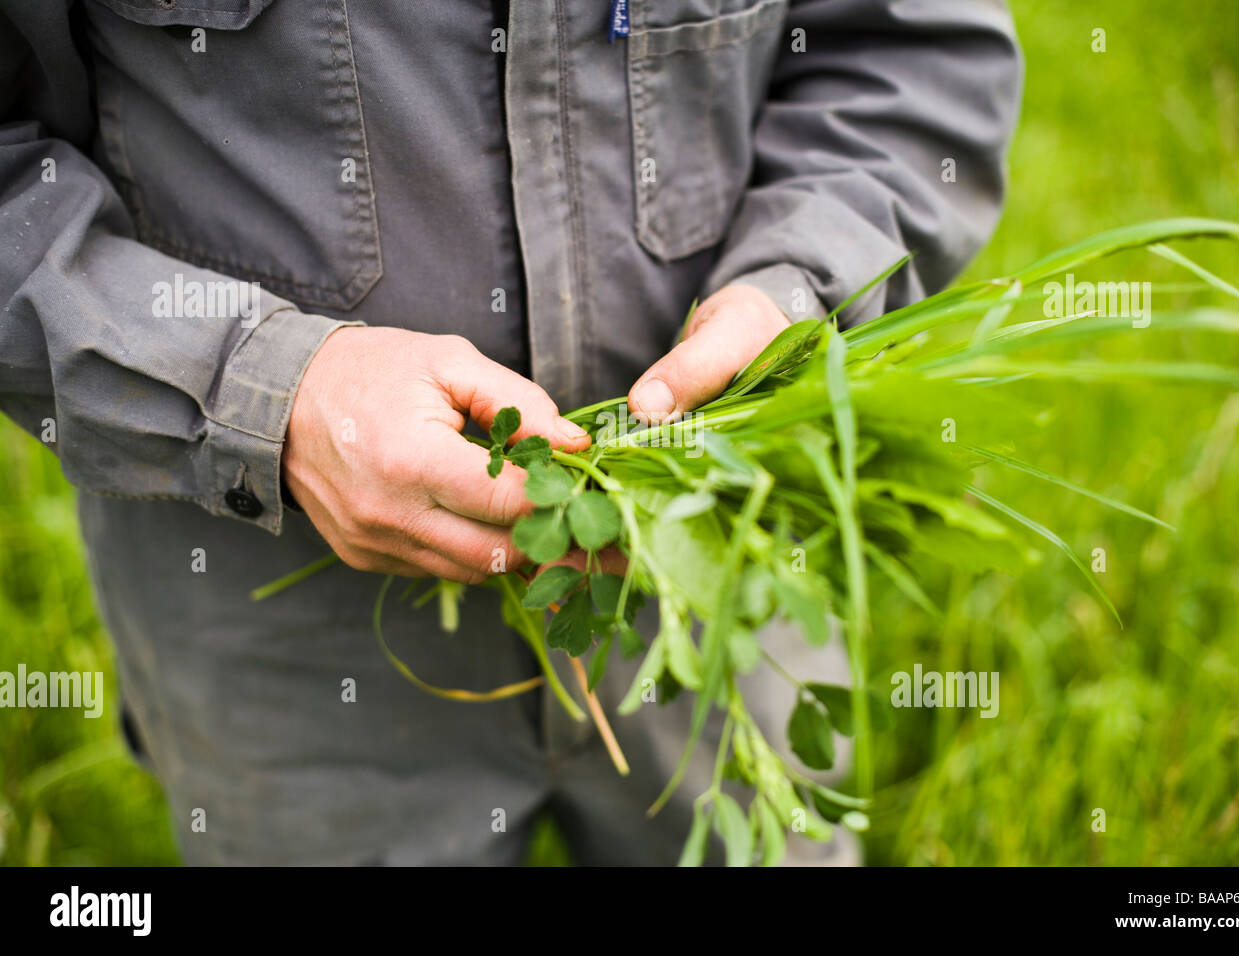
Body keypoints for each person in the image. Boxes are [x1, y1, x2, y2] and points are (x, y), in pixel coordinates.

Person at [0, 0, 1021, 864]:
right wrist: (259, 388)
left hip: (719, 559)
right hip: (275, 620)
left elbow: (914, 51)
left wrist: (803, 279)